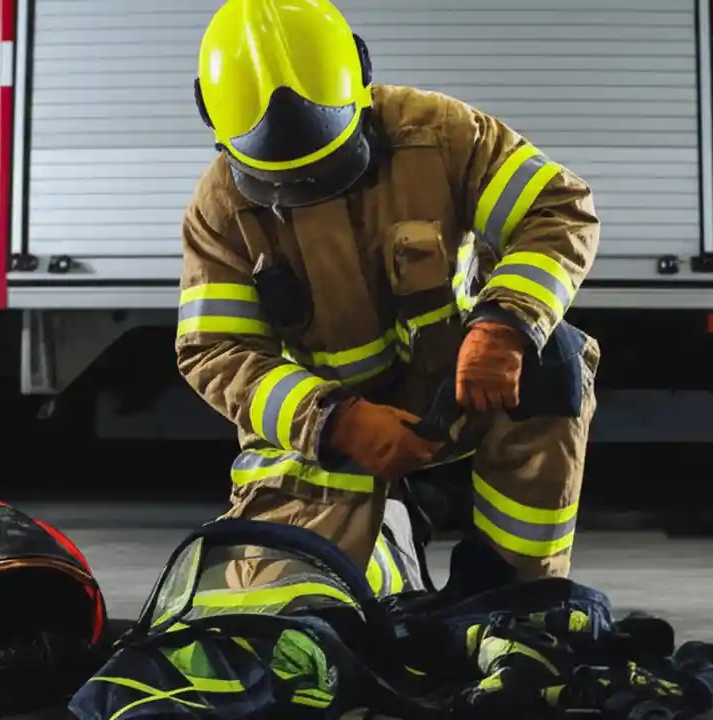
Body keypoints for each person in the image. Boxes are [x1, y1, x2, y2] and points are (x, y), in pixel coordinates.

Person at [175, 0, 602, 590]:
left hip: (455, 396)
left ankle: (516, 593)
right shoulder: (220, 208)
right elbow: (216, 350)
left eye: (332, 165)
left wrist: (505, 324)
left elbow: (555, 208)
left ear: (361, 78)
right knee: (304, 605)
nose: (310, 190)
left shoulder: (439, 134)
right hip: (322, 436)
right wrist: (335, 422)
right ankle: (390, 542)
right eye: (282, 181)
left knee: (553, 363)